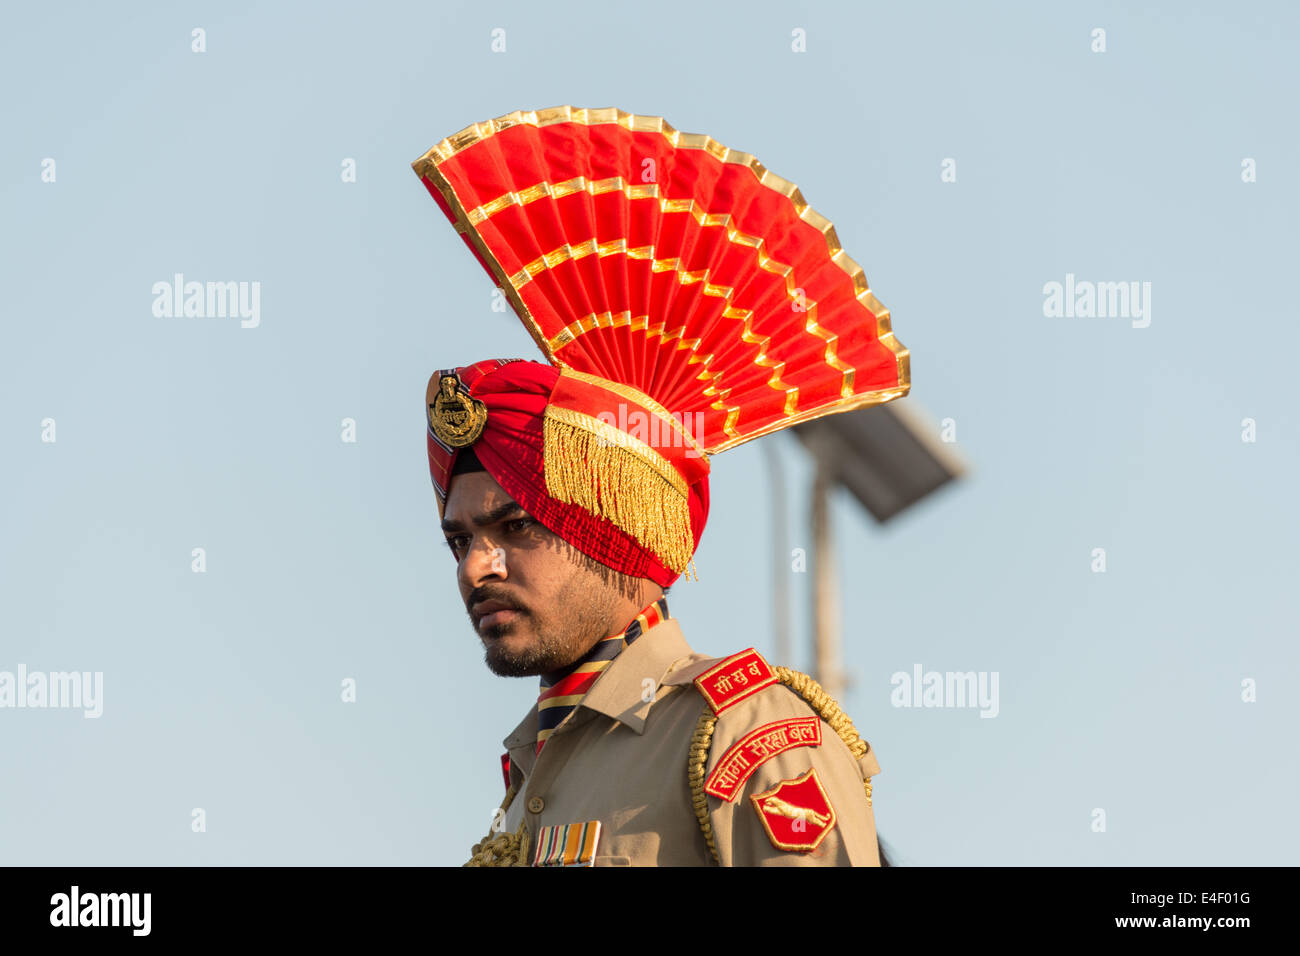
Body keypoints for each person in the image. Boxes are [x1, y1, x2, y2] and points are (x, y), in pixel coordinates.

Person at [414, 106, 912, 867]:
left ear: (612, 528)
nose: (476, 567)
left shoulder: (742, 731)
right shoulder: (527, 771)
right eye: (461, 539)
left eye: (516, 527)